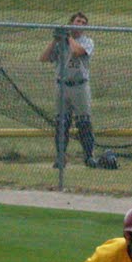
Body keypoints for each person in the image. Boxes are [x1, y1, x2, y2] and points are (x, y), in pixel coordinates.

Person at [40, 11, 101, 170]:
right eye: (77, 21)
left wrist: (69, 37)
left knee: (84, 122)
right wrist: (55, 40)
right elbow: (44, 58)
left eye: (83, 22)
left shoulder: (87, 42)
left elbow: (77, 52)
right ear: (70, 23)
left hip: (80, 85)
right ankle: (61, 157)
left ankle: (88, 156)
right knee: (62, 122)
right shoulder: (61, 43)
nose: (79, 25)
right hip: (62, 85)